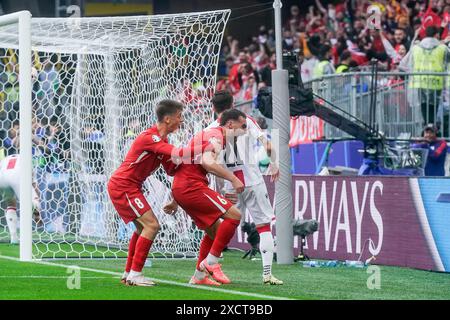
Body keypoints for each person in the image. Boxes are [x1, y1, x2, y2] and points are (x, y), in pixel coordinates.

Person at [107, 99, 209, 287]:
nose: (181, 120)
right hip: (124, 185)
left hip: (131, 186)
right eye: (179, 117)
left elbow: (171, 168)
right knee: (152, 226)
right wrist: (207, 147)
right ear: (168, 119)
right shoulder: (150, 137)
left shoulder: (163, 141)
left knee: (142, 228)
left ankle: (129, 273)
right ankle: (136, 274)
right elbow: (178, 154)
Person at [207, 90, 283, 285]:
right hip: (253, 181)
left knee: (221, 226)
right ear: (233, 103)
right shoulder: (246, 120)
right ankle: (267, 274)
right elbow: (267, 145)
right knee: (264, 225)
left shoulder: (210, 129)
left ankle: (209, 264)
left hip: (229, 185)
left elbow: (208, 162)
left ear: (213, 108)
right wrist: (274, 163)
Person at [163, 109, 246, 286]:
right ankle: (211, 262)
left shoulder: (209, 133)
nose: (244, 131)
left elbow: (190, 163)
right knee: (235, 215)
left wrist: (175, 199)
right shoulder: (216, 136)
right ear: (230, 124)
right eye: (243, 126)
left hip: (182, 187)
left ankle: (199, 277)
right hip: (191, 187)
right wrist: (233, 178)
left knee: (214, 229)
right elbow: (207, 163)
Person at [400, 26, 450, 129]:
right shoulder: (443, 48)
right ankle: (432, 130)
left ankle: (427, 129)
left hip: (420, 82)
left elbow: (405, 65)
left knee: (424, 108)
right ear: (436, 35)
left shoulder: (416, 48)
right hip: (436, 82)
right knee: (434, 109)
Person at [0, 154, 40, 244]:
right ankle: (36, 214)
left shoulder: (7, 158)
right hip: (17, 176)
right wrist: (37, 197)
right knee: (32, 200)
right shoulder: (28, 158)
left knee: (11, 205)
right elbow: (34, 184)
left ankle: (14, 238)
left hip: (2, 177)